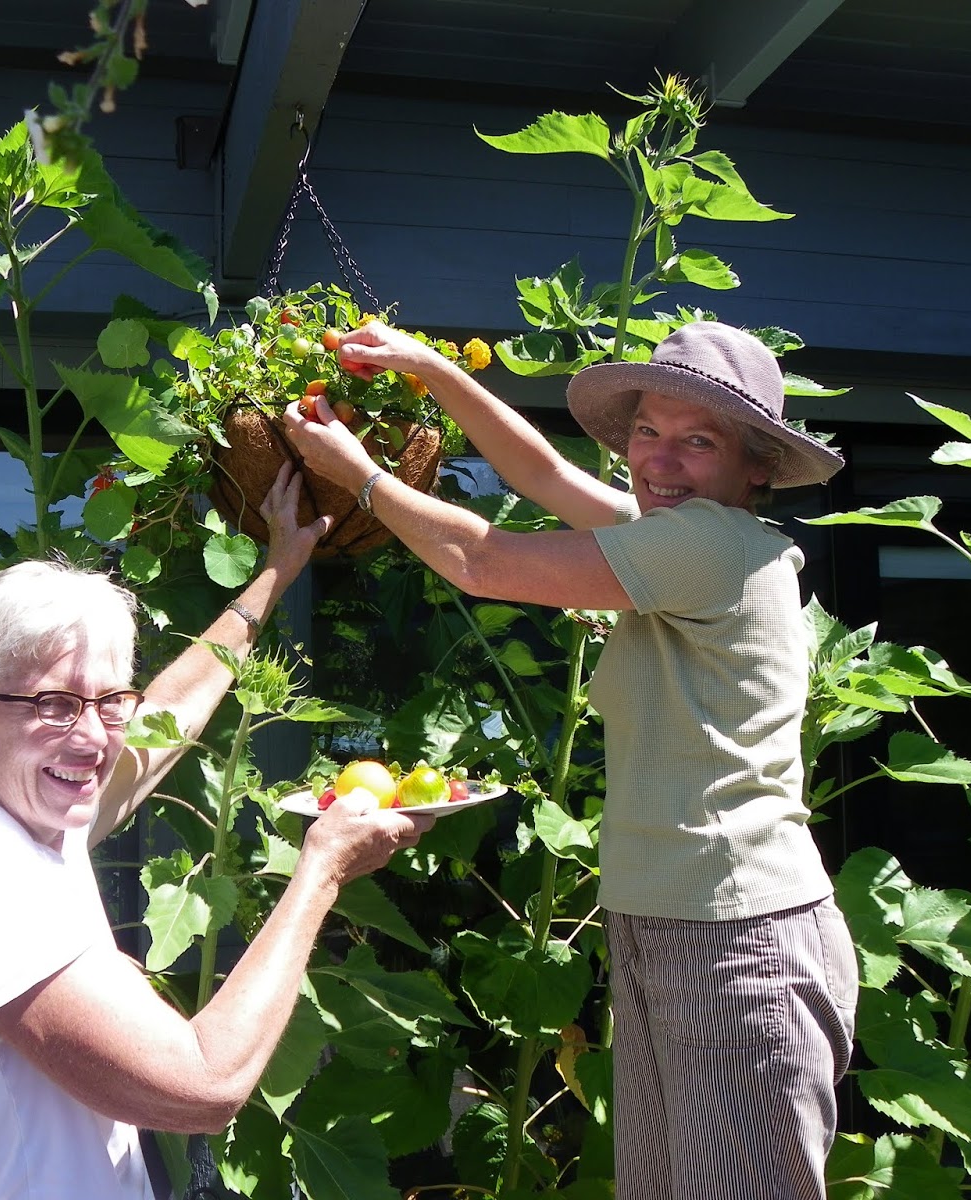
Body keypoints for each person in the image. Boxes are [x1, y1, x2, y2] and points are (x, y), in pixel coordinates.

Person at [282, 320, 858, 1200]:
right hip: (675, 922)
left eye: (697, 441)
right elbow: (547, 476)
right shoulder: (682, 534)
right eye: (646, 433)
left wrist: (360, 476)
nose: (659, 459)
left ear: (757, 467)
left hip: (736, 939)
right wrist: (433, 370)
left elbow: (482, 559)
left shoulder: (706, 547)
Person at [0, 462, 432, 1200]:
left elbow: (169, 719)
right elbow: (202, 1085)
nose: (94, 737)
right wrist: (319, 873)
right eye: (52, 704)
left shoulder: (28, 817)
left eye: (109, 701)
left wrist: (277, 570)